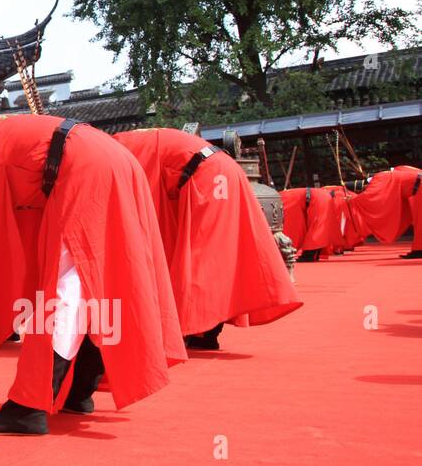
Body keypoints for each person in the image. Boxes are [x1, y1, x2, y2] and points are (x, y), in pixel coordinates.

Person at [0, 115, 187, 436]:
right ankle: (79, 391)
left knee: (67, 290)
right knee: (99, 285)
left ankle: (29, 407)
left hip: (81, 166)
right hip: (106, 161)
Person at [114, 128, 302, 351]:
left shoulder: (116, 150)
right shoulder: (125, 142)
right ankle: (206, 332)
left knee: (200, 261)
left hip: (204, 175)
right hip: (223, 168)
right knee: (217, 259)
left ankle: (188, 331)